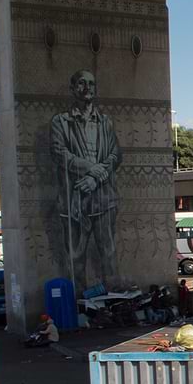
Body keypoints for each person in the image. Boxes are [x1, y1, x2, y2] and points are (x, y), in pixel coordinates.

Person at [50, 69, 122, 289]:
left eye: (91, 84)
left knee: (108, 252)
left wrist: (96, 178)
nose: (87, 87)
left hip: (103, 197)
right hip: (74, 200)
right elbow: (59, 153)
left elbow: (115, 154)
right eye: (82, 83)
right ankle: (78, 301)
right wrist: (93, 169)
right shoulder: (61, 122)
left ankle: (113, 298)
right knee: (75, 255)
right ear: (73, 89)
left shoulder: (105, 122)